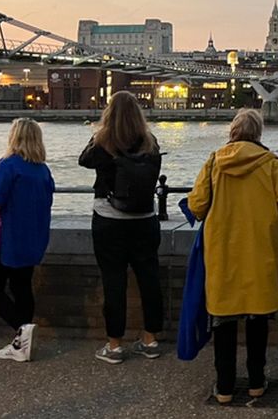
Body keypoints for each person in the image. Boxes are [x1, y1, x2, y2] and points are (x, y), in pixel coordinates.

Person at [187, 109, 278, 404]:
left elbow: (197, 204)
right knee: (257, 317)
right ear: (258, 133)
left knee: (223, 320)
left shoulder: (214, 162)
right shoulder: (271, 164)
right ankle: (256, 382)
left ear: (233, 132)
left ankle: (224, 387)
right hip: (258, 249)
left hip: (222, 250)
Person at [79, 91, 164, 364]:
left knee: (113, 280)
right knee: (149, 278)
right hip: (145, 219)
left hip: (108, 220)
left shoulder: (104, 142)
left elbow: (84, 160)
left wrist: (100, 134)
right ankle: (150, 339)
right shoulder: (150, 144)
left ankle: (114, 345)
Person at [0, 118, 55, 362]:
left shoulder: (8, 165)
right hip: (34, 237)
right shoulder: (43, 169)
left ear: (15, 137)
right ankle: (22, 343)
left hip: (9, 239)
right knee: (22, 287)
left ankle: (23, 330)